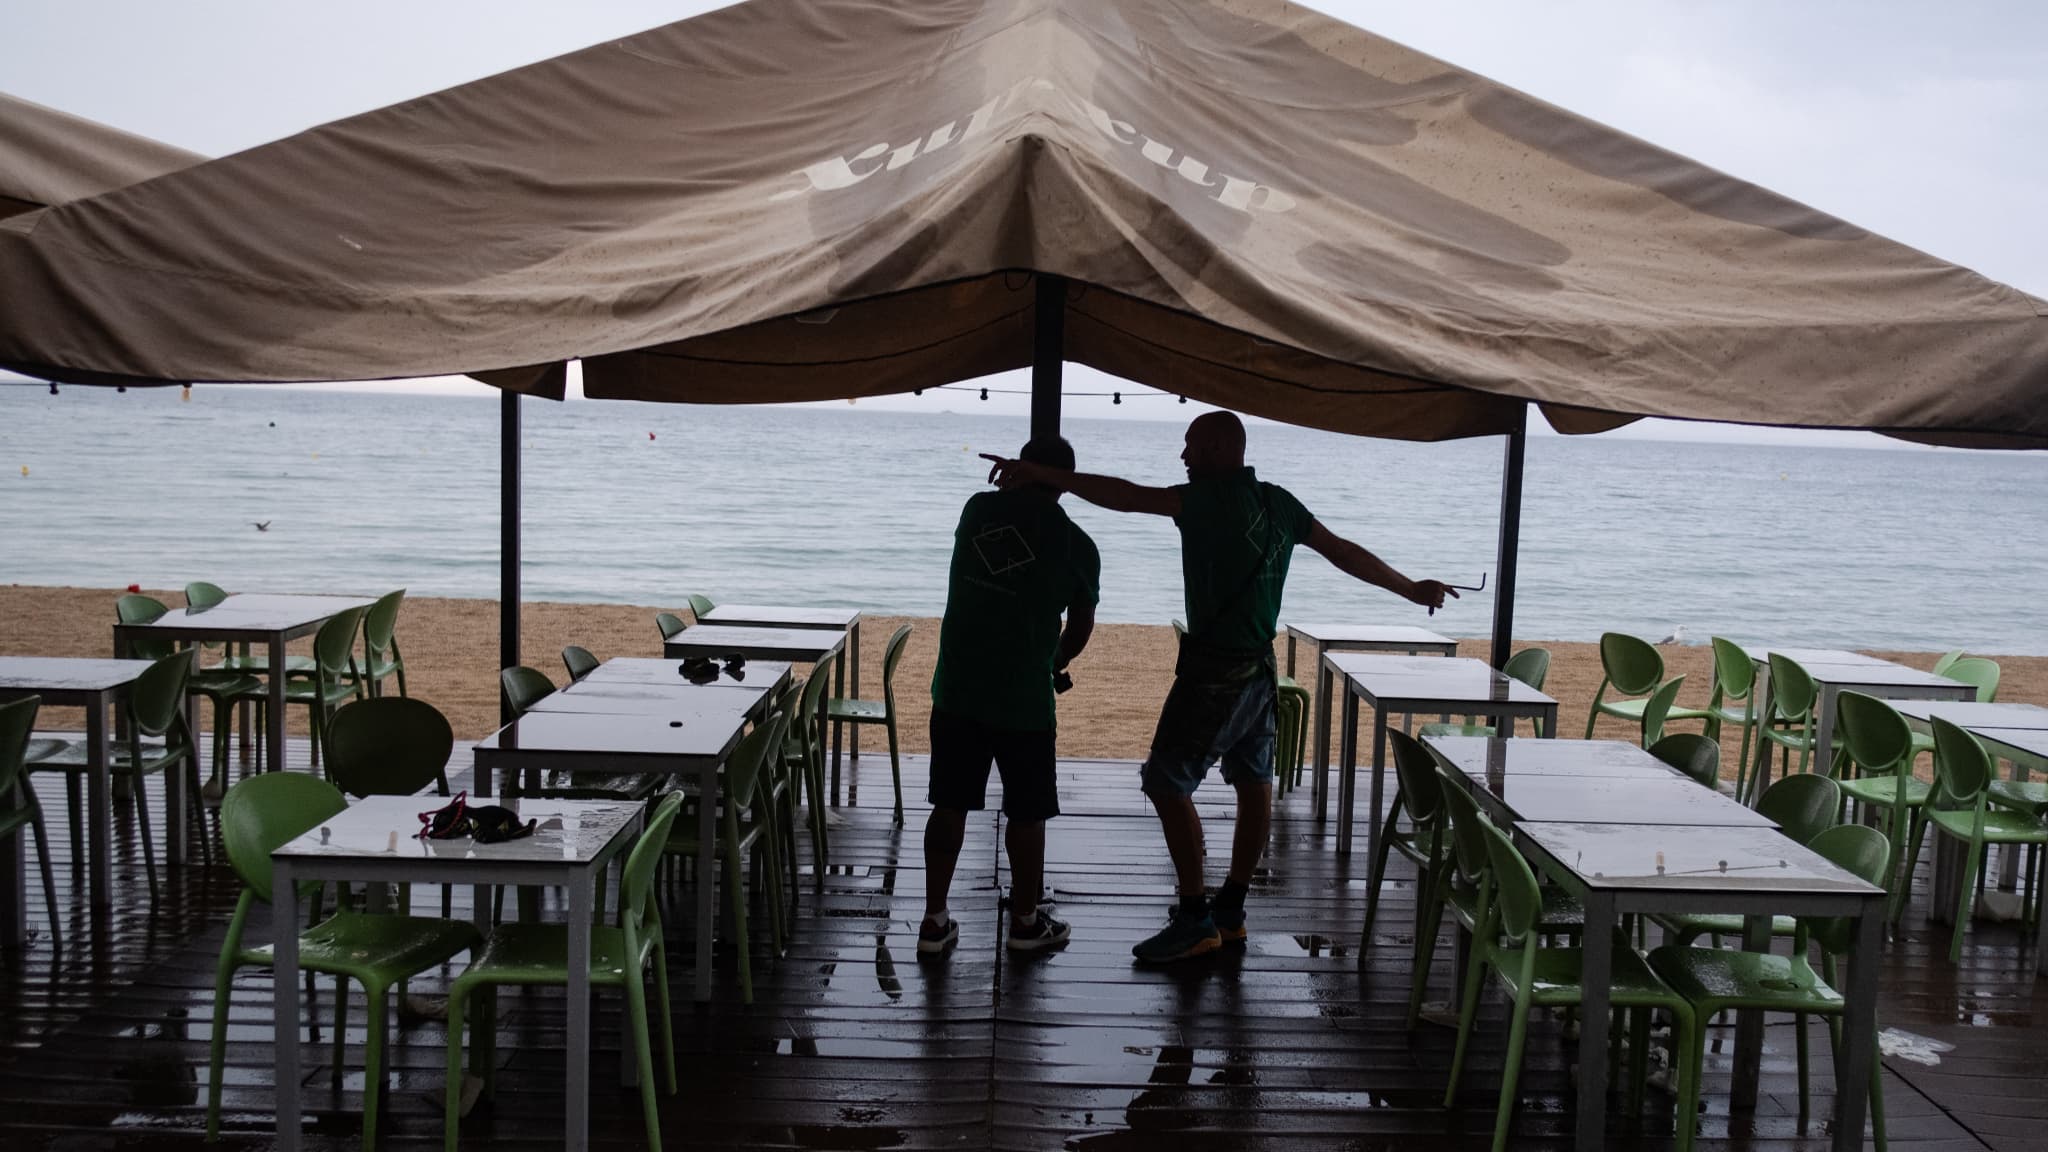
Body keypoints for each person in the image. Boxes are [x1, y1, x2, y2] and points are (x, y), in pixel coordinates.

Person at [983, 411, 1456, 963]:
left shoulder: (1202, 501)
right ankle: (1230, 908)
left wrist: (1046, 474)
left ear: (1213, 447)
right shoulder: (1279, 503)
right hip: (1260, 669)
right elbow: (1344, 551)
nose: (1182, 458)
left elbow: (1126, 496)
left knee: (1164, 781)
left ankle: (1194, 916)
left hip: (1213, 673)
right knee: (1254, 781)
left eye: (1189, 447)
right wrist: (1409, 587)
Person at [920, 435, 1100, 956]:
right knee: (1027, 812)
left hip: (958, 687)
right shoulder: (1077, 545)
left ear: (1020, 467)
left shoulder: (978, 510)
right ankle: (1024, 923)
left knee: (948, 804)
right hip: (1024, 697)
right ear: (1066, 483)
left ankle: (934, 921)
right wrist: (1056, 660)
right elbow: (1081, 626)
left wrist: (1014, 484)